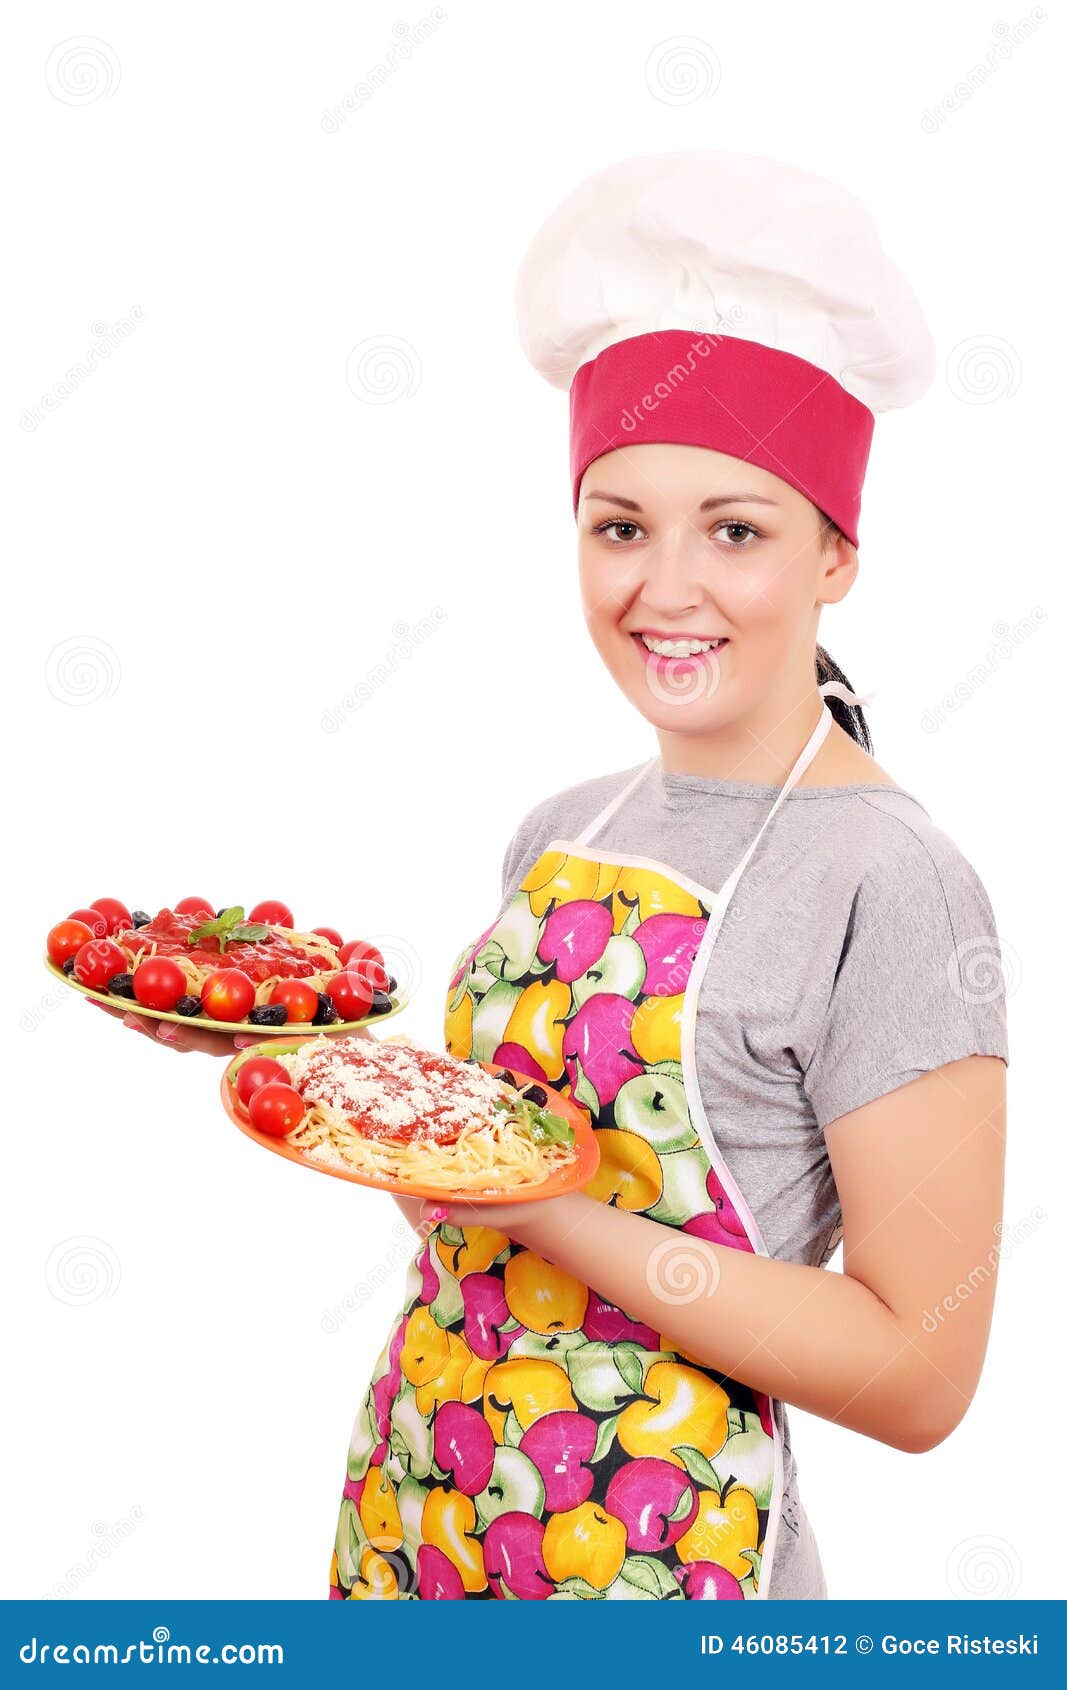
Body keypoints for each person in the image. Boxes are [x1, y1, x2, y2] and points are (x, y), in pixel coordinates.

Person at [101, 152, 1009, 1601]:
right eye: (620, 524)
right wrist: (293, 1045)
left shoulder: (890, 879)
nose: (667, 584)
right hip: (421, 1507)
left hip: (666, 1565)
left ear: (837, 552)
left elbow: (920, 1368)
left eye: (738, 528)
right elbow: (462, 1198)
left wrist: (549, 1212)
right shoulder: (561, 828)